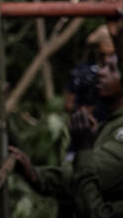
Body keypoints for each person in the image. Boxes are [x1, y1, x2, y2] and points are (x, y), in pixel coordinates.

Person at [10, 21, 123, 218]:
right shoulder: (85, 75)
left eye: (111, 68)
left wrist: (84, 146)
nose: (101, 72)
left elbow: (90, 185)